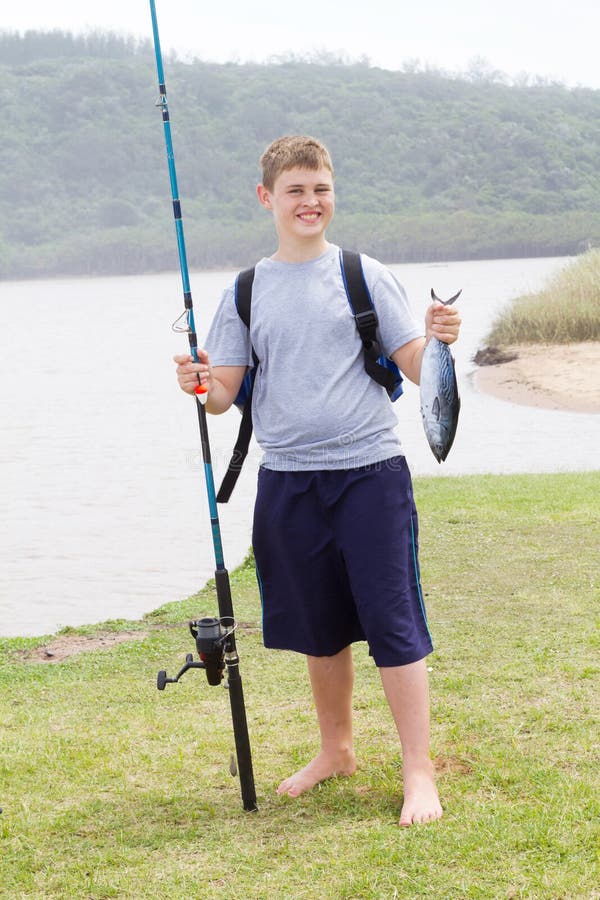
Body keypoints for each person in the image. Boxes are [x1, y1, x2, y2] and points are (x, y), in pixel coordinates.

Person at [174, 135, 461, 826]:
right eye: (296, 190)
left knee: (393, 621)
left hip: (369, 475)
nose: (311, 201)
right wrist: (199, 381)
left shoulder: (364, 274)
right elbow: (223, 395)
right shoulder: (244, 290)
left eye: (321, 189)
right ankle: (337, 749)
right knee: (318, 627)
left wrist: (441, 336)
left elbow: (418, 366)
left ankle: (418, 771)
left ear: (333, 194)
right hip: (288, 482)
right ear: (267, 197)